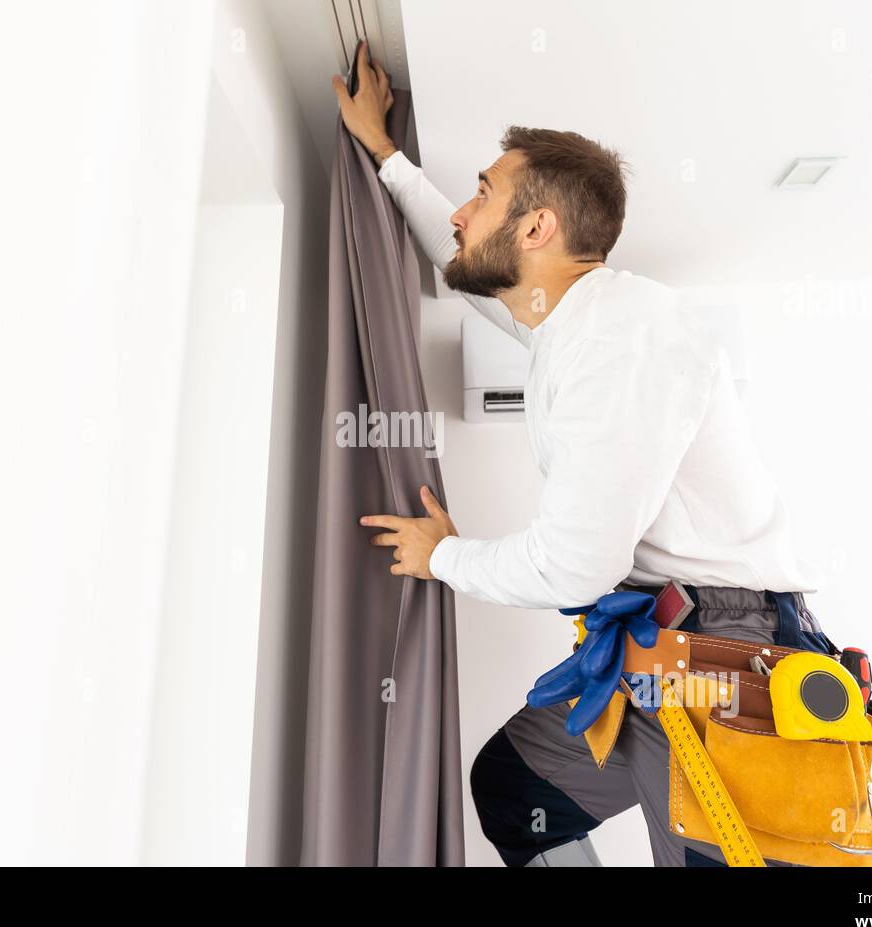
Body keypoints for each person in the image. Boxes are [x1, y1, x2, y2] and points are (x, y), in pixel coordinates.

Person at [333, 41, 832, 867]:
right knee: (515, 788)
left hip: (729, 660)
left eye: (482, 194)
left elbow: (574, 568)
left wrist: (444, 556)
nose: (463, 209)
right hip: (653, 646)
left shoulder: (621, 341)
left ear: (536, 227)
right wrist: (385, 156)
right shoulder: (568, 328)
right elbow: (452, 250)